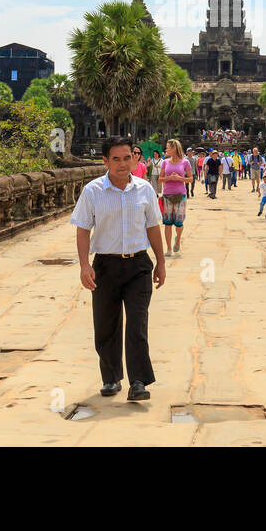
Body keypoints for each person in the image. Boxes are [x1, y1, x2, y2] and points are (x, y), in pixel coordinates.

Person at [71, 136, 166, 402]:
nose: (123, 164)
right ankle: (111, 378)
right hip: (105, 265)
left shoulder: (144, 189)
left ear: (134, 159)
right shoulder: (93, 191)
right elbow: (82, 229)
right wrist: (84, 265)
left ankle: (138, 381)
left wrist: (161, 261)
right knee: (106, 324)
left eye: (128, 158)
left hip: (138, 264)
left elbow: (153, 227)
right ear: (105, 161)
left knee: (137, 323)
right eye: (116, 159)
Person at [160, 139, 192, 255]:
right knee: (167, 223)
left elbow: (190, 179)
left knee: (179, 223)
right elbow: (160, 178)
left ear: (174, 149)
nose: (166, 149)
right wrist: (169, 178)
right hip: (167, 194)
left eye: (168, 147)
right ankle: (168, 248)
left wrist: (179, 178)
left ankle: (178, 239)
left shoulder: (185, 162)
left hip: (180, 194)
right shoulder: (165, 162)